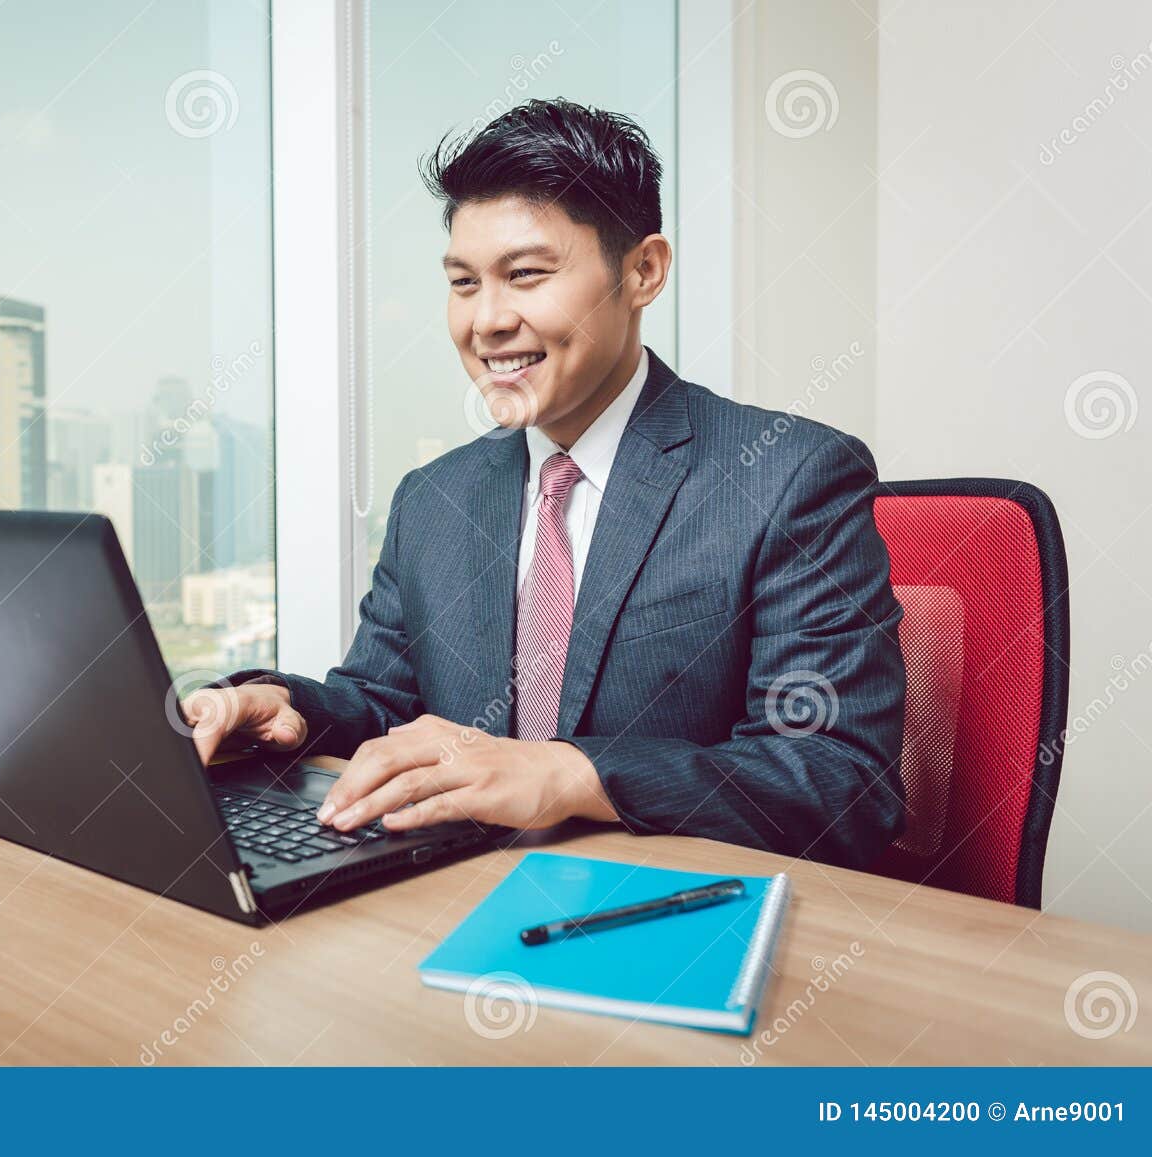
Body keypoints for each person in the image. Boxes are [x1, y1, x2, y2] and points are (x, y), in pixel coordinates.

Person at [184, 98, 906, 871]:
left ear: (643, 271)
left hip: (660, 922)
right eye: (463, 283)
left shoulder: (785, 475)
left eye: (525, 275)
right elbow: (383, 705)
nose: (486, 320)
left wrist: (568, 772)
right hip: (450, 896)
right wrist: (286, 709)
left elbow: (843, 779)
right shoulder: (434, 498)